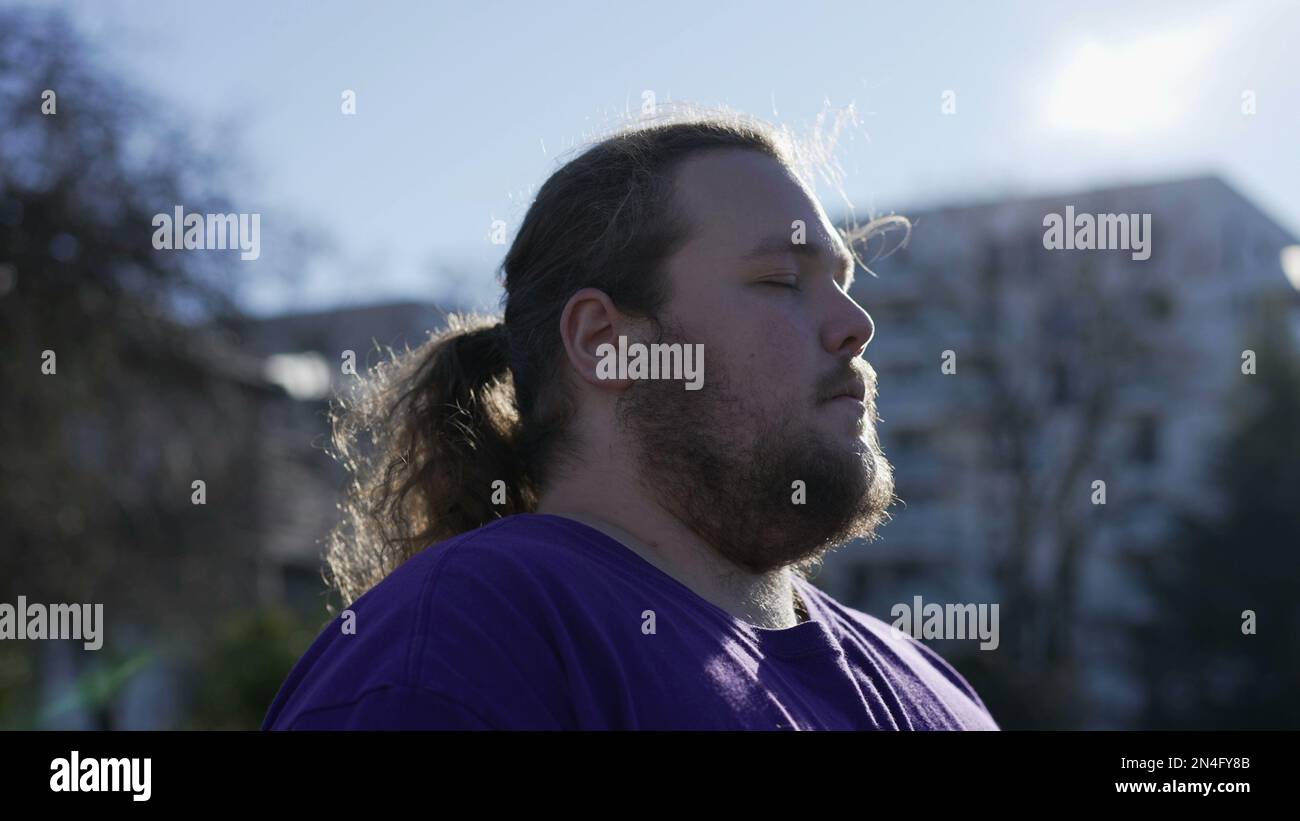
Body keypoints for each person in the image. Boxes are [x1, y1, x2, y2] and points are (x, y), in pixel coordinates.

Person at [263, 109, 999, 730]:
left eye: (842, 282)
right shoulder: (462, 649)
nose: (856, 324)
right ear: (605, 344)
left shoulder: (936, 689)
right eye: (781, 280)